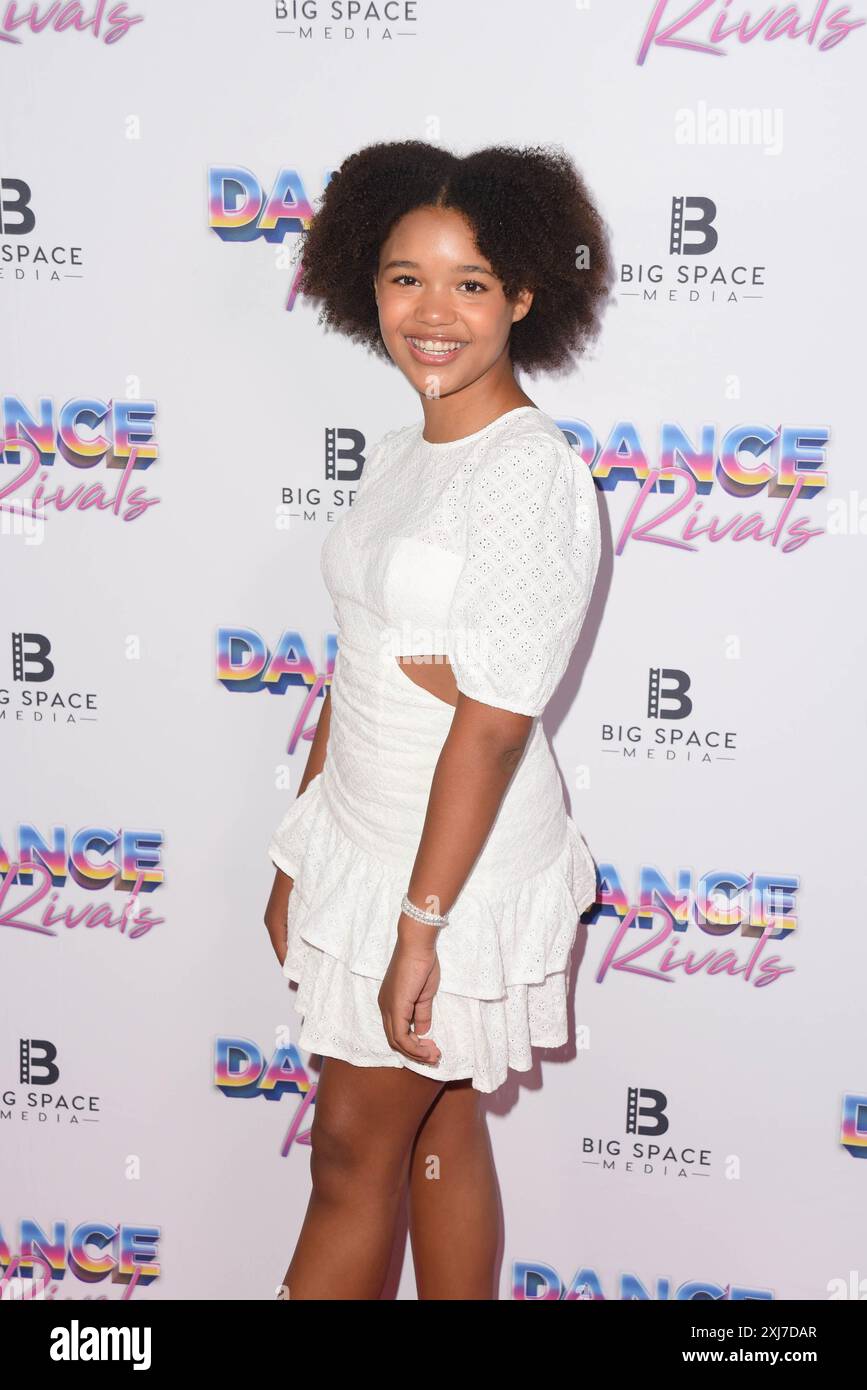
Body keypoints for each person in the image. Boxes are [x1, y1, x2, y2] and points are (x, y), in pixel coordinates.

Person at [263, 139, 614, 1300]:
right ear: (366, 283)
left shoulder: (529, 471)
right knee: (437, 1123)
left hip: (451, 872)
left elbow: (495, 723)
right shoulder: (413, 446)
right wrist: (301, 841)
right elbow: (360, 654)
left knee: (351, 1155)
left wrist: (419, 927)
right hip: (366, 837)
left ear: (524, 295)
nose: (434, 311)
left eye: (471, 283)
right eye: (406, 275)